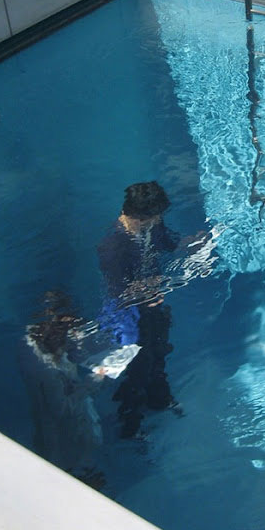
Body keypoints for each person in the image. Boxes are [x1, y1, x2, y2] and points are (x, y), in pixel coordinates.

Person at [98, 181, 180, 438]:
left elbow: (167, 243)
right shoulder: (112, 246)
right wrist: (145, 292)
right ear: (142, 215)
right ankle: (130, 420)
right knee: (138, 365)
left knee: (159, 351)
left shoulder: (152, 225)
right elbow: (119, 291)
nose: (160, 219)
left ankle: (159, 398)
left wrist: (191, 243)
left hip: (152, 300)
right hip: (128, 312)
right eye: (156, 215)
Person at [19, 291, 104, 485]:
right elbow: (62, 410)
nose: (73, 332)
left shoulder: (31, 341)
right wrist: (92, 383)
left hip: (57, 433)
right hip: (65, 442)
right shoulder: (47, 369)